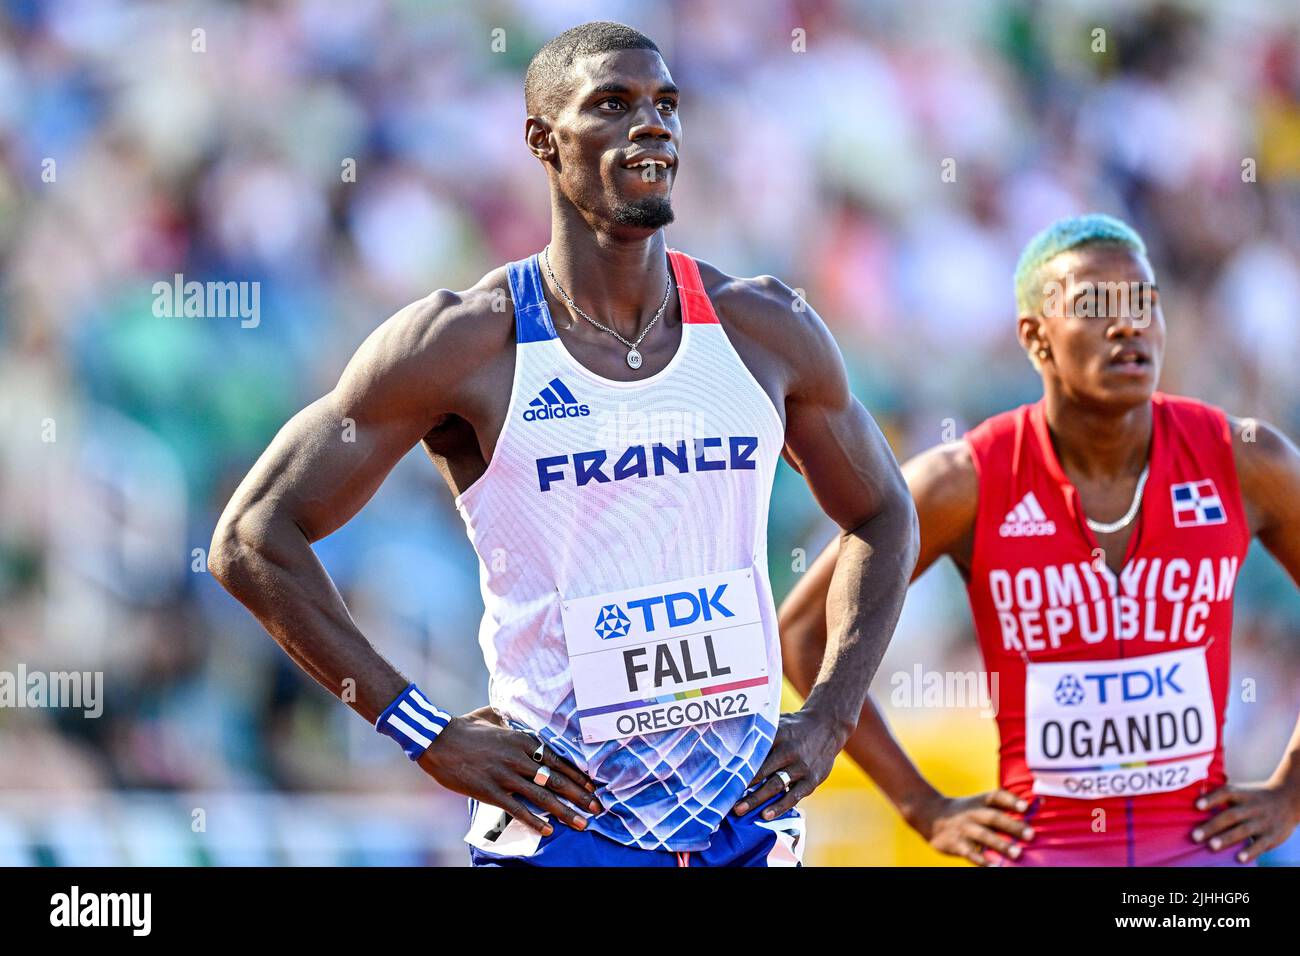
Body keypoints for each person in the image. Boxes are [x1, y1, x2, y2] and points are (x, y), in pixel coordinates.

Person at [207, 21, 918, 867]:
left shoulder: (764, 329)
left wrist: (832, 712)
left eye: (666, 105)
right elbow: (252, 537)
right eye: (613, 104)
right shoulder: (464, 344)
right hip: (563, 830)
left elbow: (881, 513)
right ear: (544, 141)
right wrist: (424, 730)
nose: (650, 124)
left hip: (745, 825)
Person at [778, 214, 1300, 866]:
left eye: (1144, 303)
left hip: (1200, 865)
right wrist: (921, 807)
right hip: (1046, 852)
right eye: (1093, 306)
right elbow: (802, 631)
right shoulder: (965, 481)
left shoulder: (1245, 460)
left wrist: (1289, 794)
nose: (1126, 325)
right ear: (1036, 338)